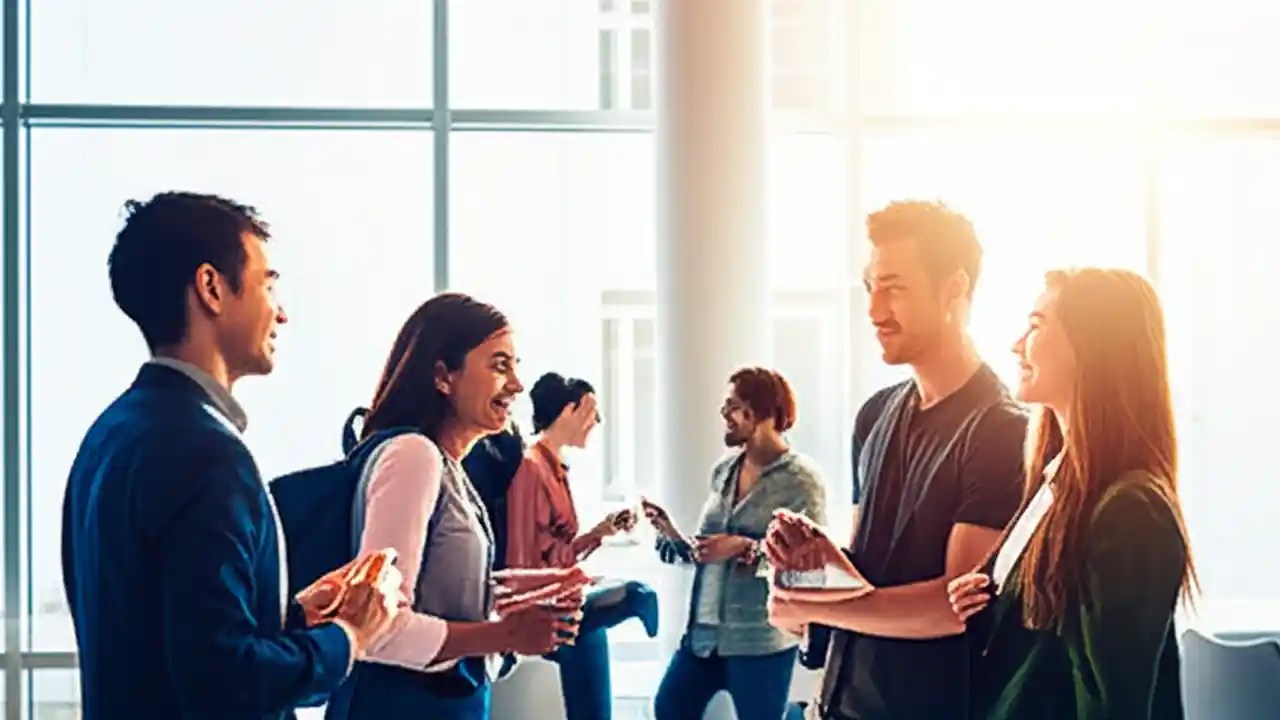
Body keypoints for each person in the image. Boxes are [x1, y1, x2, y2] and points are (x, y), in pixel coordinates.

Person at [61, 192, 400, 720]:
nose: (282, 312)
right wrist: (348, 637)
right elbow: (226, 681)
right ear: (212, 288)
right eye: (268, 283)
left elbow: (165, 639)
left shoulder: (108, 437)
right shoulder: (209, 454)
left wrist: (292, 617)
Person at [765, 200, 1027, 720]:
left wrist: (816, 604)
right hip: (841, 702)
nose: (874, 309)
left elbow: (954, 609)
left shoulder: (1002, 430)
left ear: (953, 289)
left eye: (894, 287)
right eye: (870, 287)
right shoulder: (875, 414)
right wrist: (808, 571)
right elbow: (868, 574)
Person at [326, 292, 588, 720]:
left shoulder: (446, 465)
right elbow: (379, 628)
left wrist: (520, 590)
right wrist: (504, 634)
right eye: (499, 365)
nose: (518, 384)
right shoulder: (415, 456)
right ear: (443, 377)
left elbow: (439, 588)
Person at [947, 268, 1196, 719]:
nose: (1017, 343)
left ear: (1092, 348)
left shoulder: (1130, 510)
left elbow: (1110, 703)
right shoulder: (1054, 481)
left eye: (1037, 325)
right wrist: (990, 603)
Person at [645, 367, 827, 720]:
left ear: (760, 412)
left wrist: (747, 547)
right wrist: (670, 534)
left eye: (732, 406)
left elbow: (813, 562)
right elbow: (709, 551)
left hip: (761, 638)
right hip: (703, 636)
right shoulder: (724, 471)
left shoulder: (802, 482)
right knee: (669, 707)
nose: (723, 414)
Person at [504, 371, 659, 720]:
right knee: (632, 596)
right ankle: (627, 600)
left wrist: (599, 533)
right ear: (567, 411)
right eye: (591, 412)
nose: (597, 421)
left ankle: (618, 601)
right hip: (547, 610)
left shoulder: (554, 467)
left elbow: (555, 546)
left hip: (565, 602)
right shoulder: (531, 469)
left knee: (593, 704)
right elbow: (525, 558)